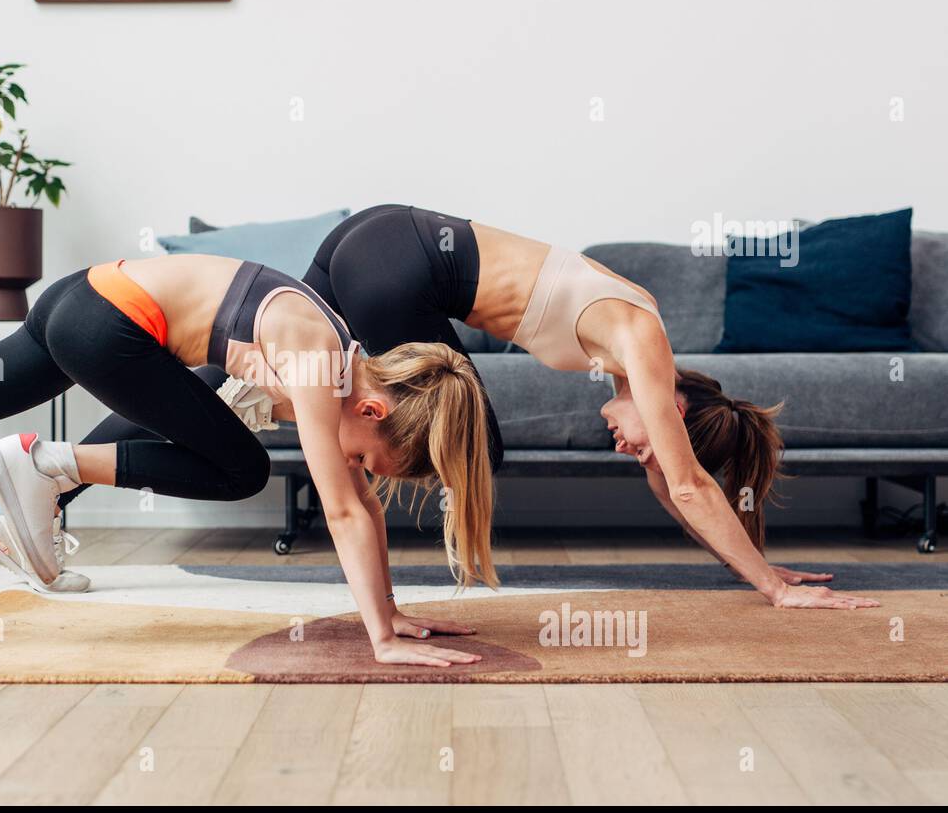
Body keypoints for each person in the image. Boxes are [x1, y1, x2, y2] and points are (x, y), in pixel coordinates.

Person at [0, 254, 498, 666]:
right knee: (244, 469)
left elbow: (352, 493)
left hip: (81, 300)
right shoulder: (323, 356)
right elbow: (346, 507)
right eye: (378, 458)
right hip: (107, 323)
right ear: (373, 408)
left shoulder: (332, 351)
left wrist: (386, 617)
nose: (363, 470)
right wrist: (382, 639)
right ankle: (49, 468)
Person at [300, 205, 878, 611]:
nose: (627, 449)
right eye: (645, 445)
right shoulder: (643, 343)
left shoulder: (633, 358)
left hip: (375, 233)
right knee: (476, 442)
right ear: (674, 411)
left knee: (251, 377)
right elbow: (687, 485)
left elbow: (668, 485)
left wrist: (751, 564)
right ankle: (380, 598)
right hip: (393, 267)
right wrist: (776, 592)